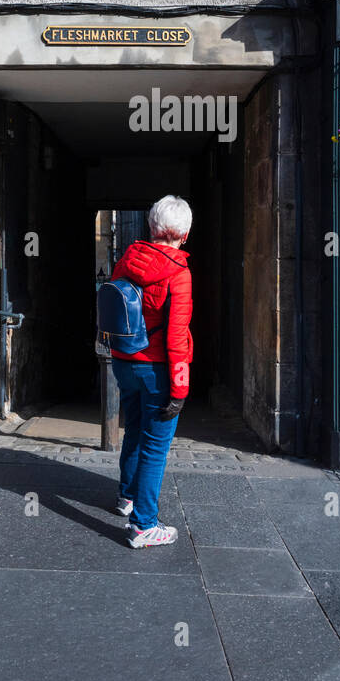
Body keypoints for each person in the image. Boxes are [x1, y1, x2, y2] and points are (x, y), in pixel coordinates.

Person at [110, 195, 193, 547]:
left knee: (133, 429)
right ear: (184, 235)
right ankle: (143, 526)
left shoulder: (127, 259)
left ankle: (127, 497)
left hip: (123, 361)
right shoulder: (179, 273)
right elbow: (176, 337)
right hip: (156, 369)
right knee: (155, 447)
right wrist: (180, 389)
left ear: (151, 227)